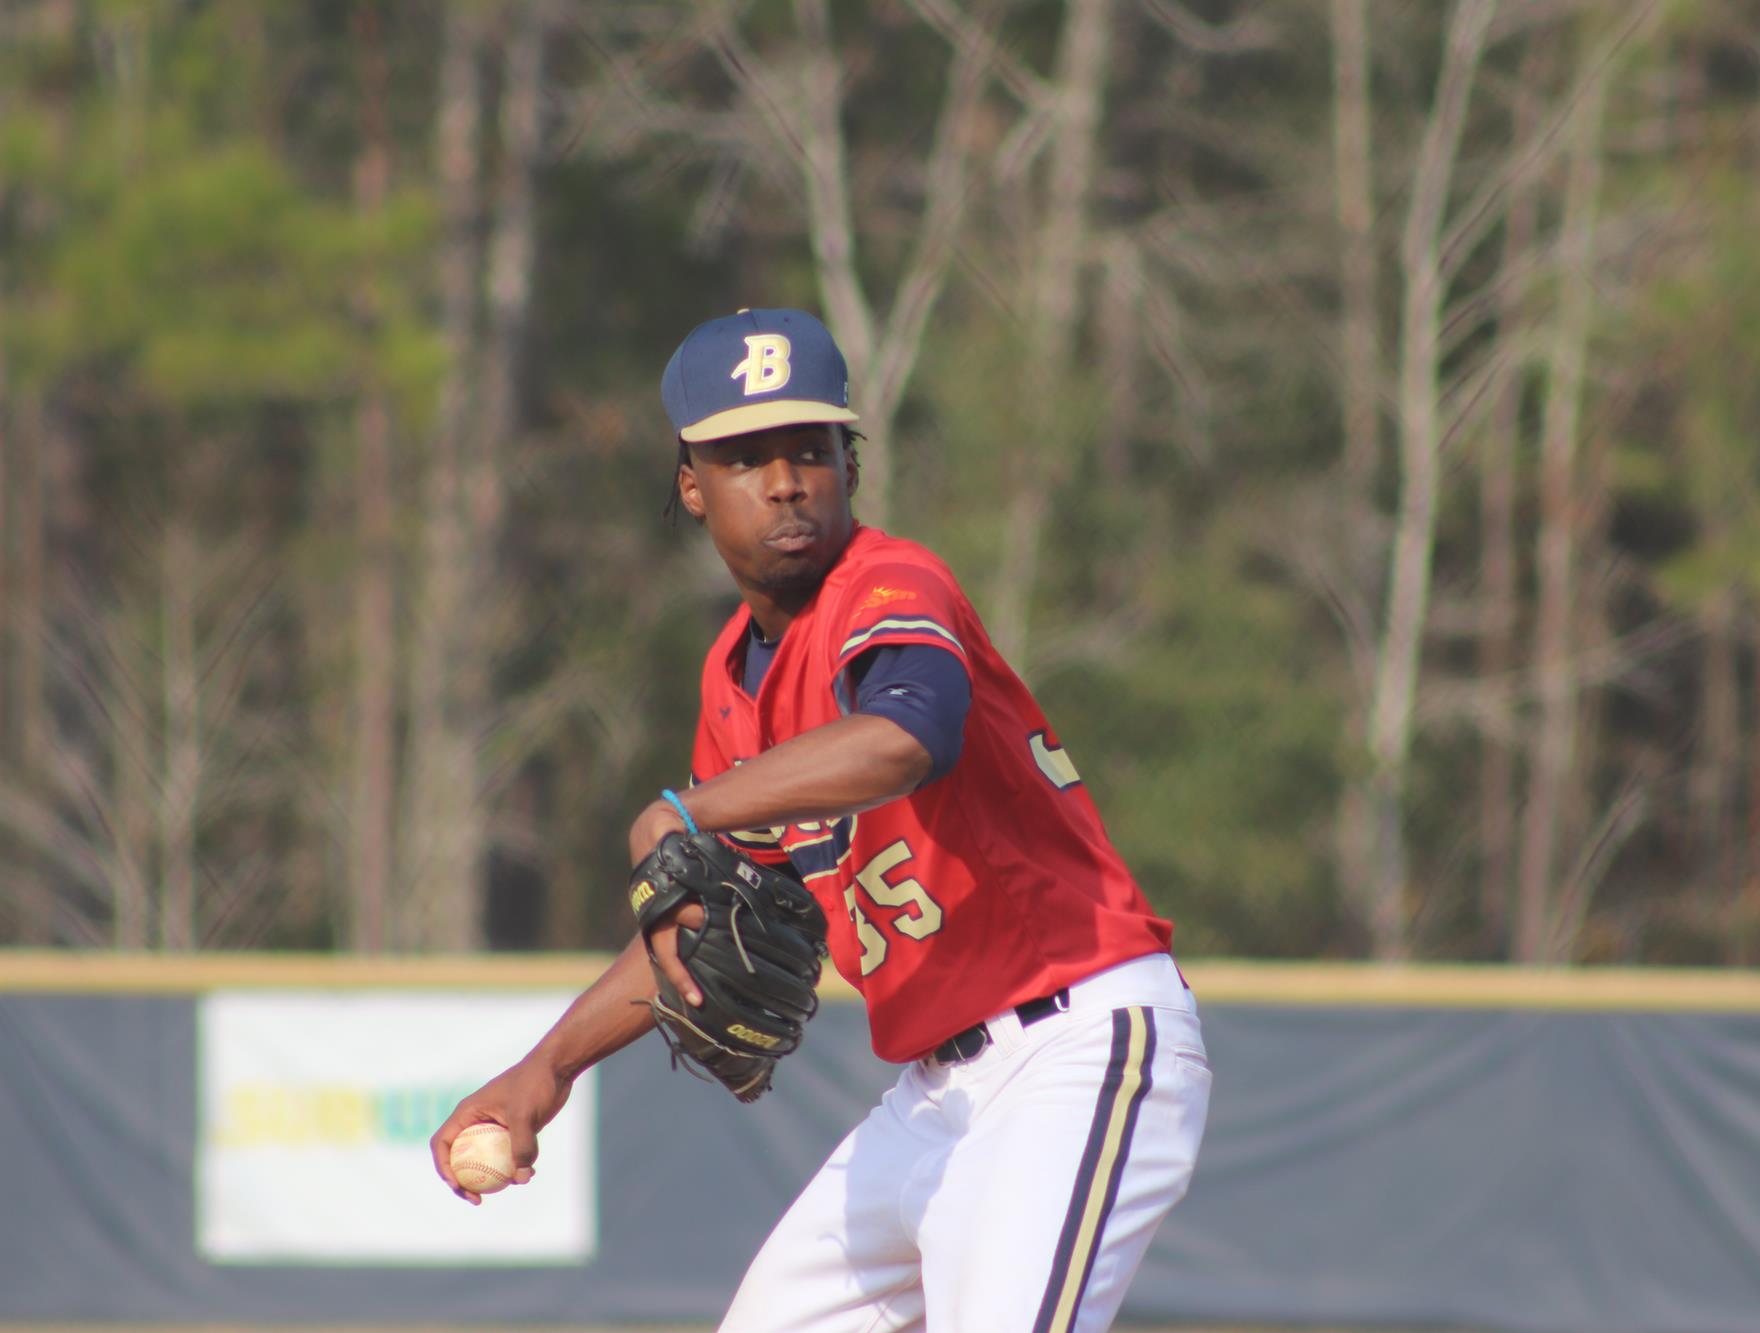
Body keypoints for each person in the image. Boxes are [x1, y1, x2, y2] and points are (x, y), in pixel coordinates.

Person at [431, 308, 1210, 1332]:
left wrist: (683, 809)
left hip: (1074, 1048)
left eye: (811, 449)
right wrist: (546, 1068)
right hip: (933, 1099)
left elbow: (908, 733)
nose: (788, 479)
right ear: (690, 485)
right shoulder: (728, 679)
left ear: (848, 462)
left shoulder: (889, 582)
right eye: (746, 456)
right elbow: (702, 914)